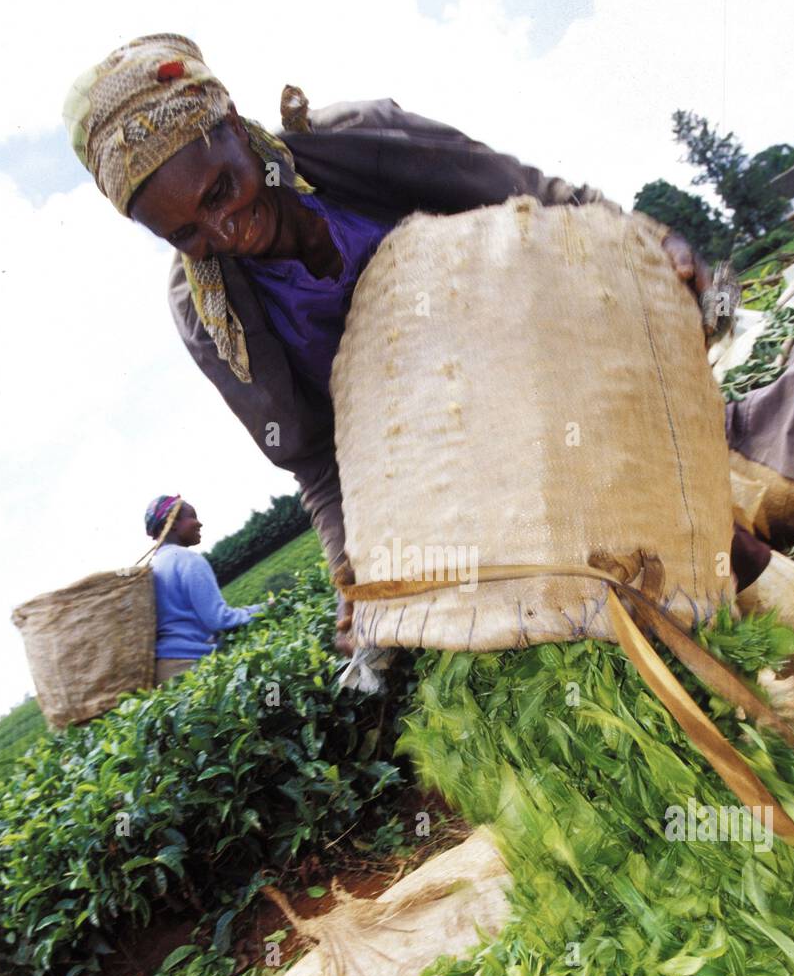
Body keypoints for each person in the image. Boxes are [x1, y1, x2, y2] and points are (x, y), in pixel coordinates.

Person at [64, 34, 714, 654]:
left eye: (220, 191)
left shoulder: (356, 138)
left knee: (685, 536)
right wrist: (356, 579)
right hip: (453, 501)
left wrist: (646, 242)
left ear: (234, 126)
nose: (224, 231)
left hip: (564, 397)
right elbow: (314, 457)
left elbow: (539, 199)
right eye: (187, 233)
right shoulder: (208, 314)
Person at [145, 495, 263, 684]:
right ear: (173, 523)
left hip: (162, 673)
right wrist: (264, 609)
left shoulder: (153, 566)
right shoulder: (188, 559)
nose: (199, 523)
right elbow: (220, 620)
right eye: (192, 516)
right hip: (190, 666)